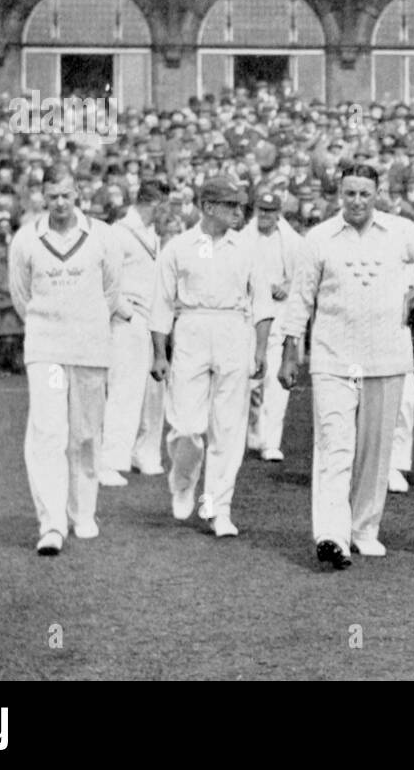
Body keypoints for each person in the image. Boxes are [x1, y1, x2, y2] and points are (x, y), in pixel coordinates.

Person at [278, 162, 414, 569]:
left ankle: (364, 529)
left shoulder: (400, 231)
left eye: (364, 194)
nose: (356, 201)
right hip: (335, 359)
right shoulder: (318, 238)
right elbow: (300, 299)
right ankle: (331, 534)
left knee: (375, 452)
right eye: (349, 193)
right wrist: (288, 353)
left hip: (386, 357)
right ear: (339, 194)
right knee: (335, 447)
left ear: (377, 194)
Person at [150, 176, 274, 539]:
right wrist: (159, 353)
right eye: (231, 205)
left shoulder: (248, 248)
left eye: (240, 205)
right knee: (186, 425)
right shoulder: (178, 247)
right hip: (190, 328)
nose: (239, 212)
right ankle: (184, 481)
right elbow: (160, 303)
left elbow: (263, 303)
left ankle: (219, 506)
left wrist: (261, 348)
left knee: (229, 427)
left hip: (235, 329)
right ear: (207, 207)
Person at [7, 165, 121, 556]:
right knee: (48, 432)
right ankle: (51, 523)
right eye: (52, 196)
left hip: (90, 348)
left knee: (86, 434)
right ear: (42, 196)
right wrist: (50, 329)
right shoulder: (26, 239)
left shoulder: (102, 237)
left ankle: (83, 512)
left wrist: (85, 324)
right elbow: (21, 297)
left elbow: (111, 292)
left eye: (66, 196)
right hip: (47, 351)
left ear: (78, 195)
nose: (60, 204)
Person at [99, 180, 166, 484]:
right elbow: (106, 280)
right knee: (124, 389)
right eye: (167, 205)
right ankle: (109, 460)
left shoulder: (153, 234)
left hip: (154, 320)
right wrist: (125, 312)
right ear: (154, 203)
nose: (171, 213)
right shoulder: (118, 233)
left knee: (155, 392)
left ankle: (145, 452)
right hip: (128, 319)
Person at [242, 189, 303, 462]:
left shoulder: (290, 240)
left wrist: (286, 287)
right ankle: (252, 436)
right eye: (261, 210)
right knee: (248, 377)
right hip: (249, 313)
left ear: (278, 213)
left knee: (274, 379)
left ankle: (270, 441)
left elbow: (302, 277)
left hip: (278, 313)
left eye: (270, 211)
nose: (264, 216)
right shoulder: (244, 237)